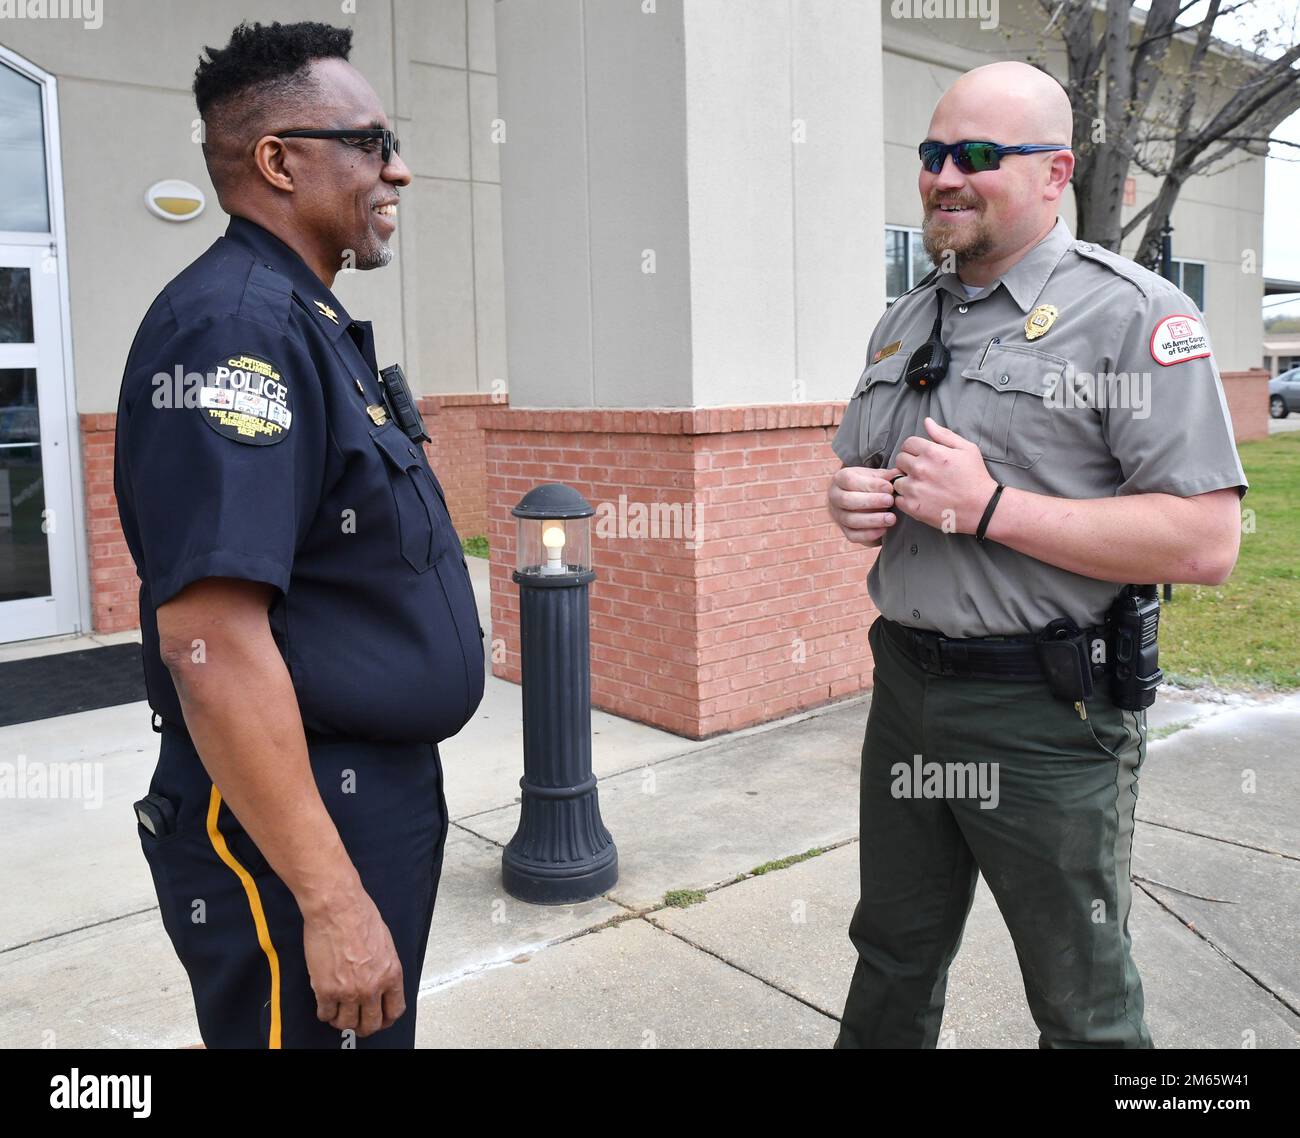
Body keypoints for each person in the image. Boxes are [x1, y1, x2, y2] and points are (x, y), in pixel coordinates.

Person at [826, 61, 1245, 1048]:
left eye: (977, 155)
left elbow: (1207, 540)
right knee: (890, 952)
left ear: (1055, 174)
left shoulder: (1134, 317)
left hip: (1046, 718)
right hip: (907, 692)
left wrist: (993, 508)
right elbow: (862, 467)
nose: (943, 176)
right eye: (932, 155)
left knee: (1080, 1003)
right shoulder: (906, 318)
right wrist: (848, 495)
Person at [114, 21, 485, 1049]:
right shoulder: (236, 331)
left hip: (357, 794)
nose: (397, 170)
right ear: (277, 161)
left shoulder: (297, 318)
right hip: (292, 819)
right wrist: (328, 900)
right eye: (371, 143)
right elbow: (214, 643)